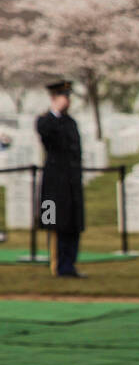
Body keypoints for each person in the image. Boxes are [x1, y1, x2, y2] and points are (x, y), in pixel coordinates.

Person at [36, 80, 85, 278]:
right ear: (55, 98)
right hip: (55, 184)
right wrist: (54, 111)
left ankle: (70, 264)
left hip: (71, 182)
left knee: (73, 224)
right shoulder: (46, 121)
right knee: (56, 223)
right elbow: (46, 134)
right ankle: (58, 266)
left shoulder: (70, 122)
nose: (68, 101)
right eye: (64, 97)